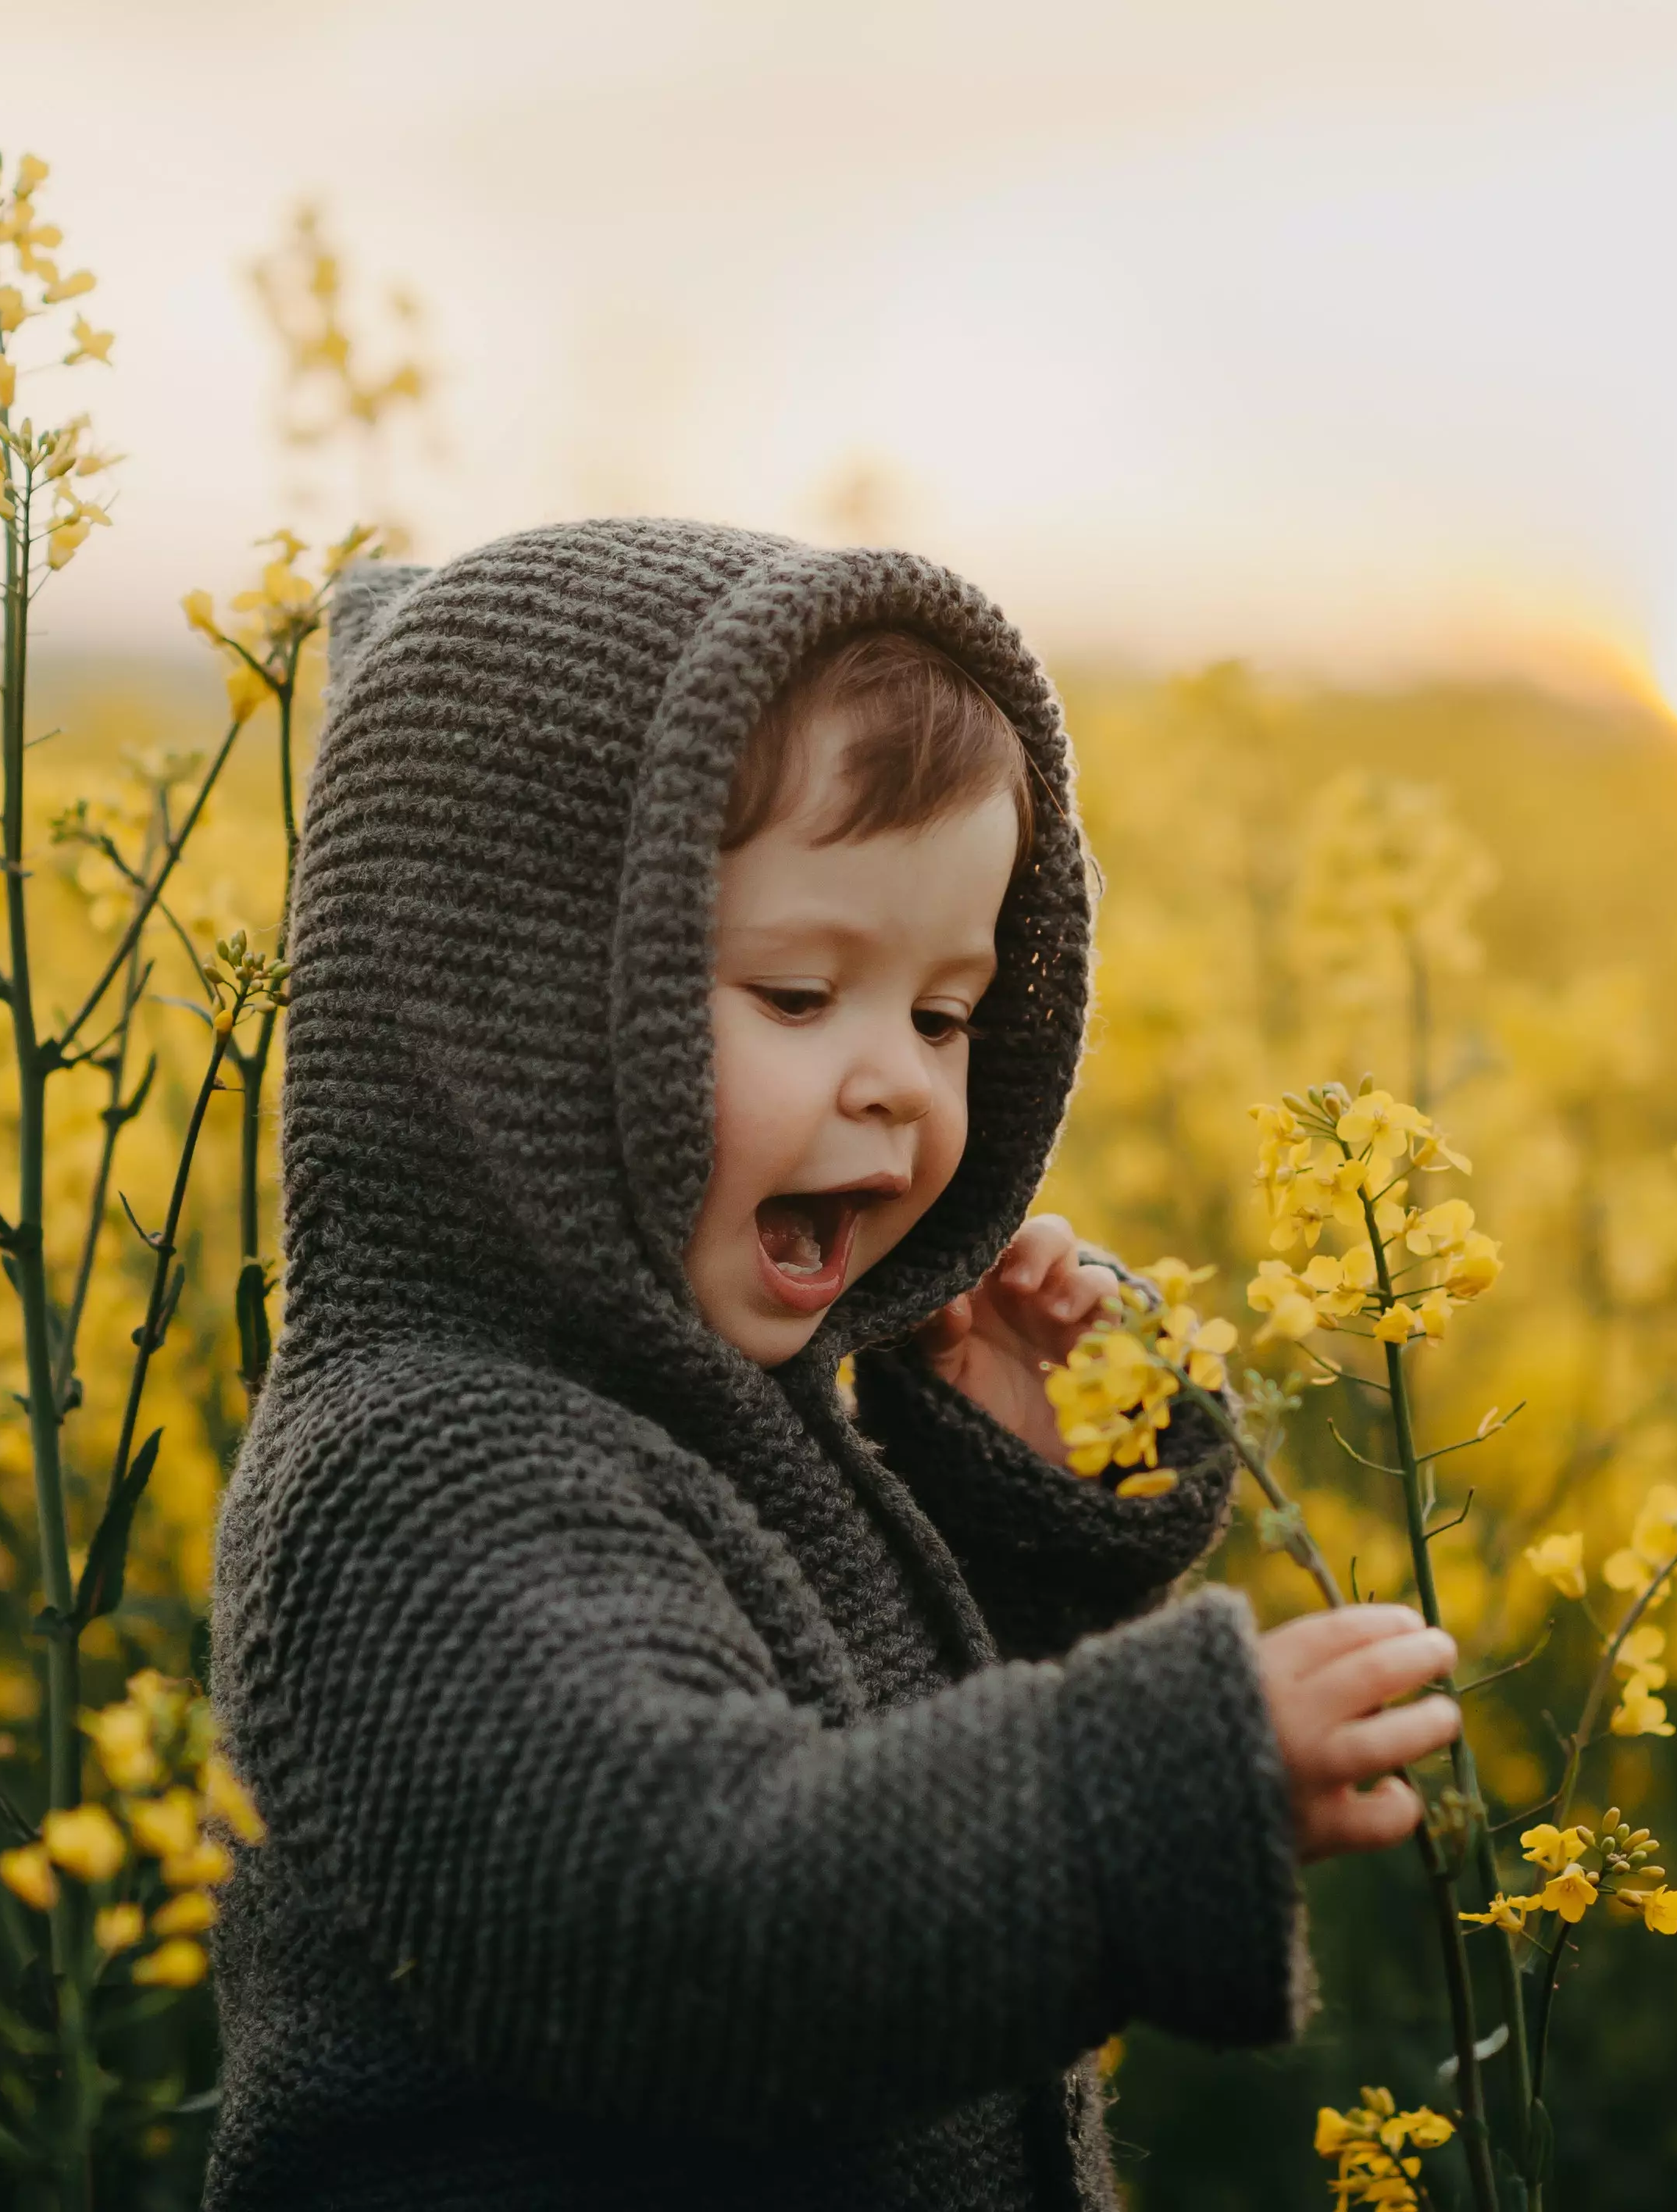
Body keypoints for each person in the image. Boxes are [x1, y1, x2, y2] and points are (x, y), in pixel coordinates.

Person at [206, 518, 1461, 2209]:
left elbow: (837, 1777)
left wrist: (1003, 1518)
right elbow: (690, 1931)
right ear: (504, 1017)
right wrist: (1127, 1802)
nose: (896, 1084)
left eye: (943, 1015)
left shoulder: (692, 1394)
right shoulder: (421, 1479)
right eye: (800, 995)